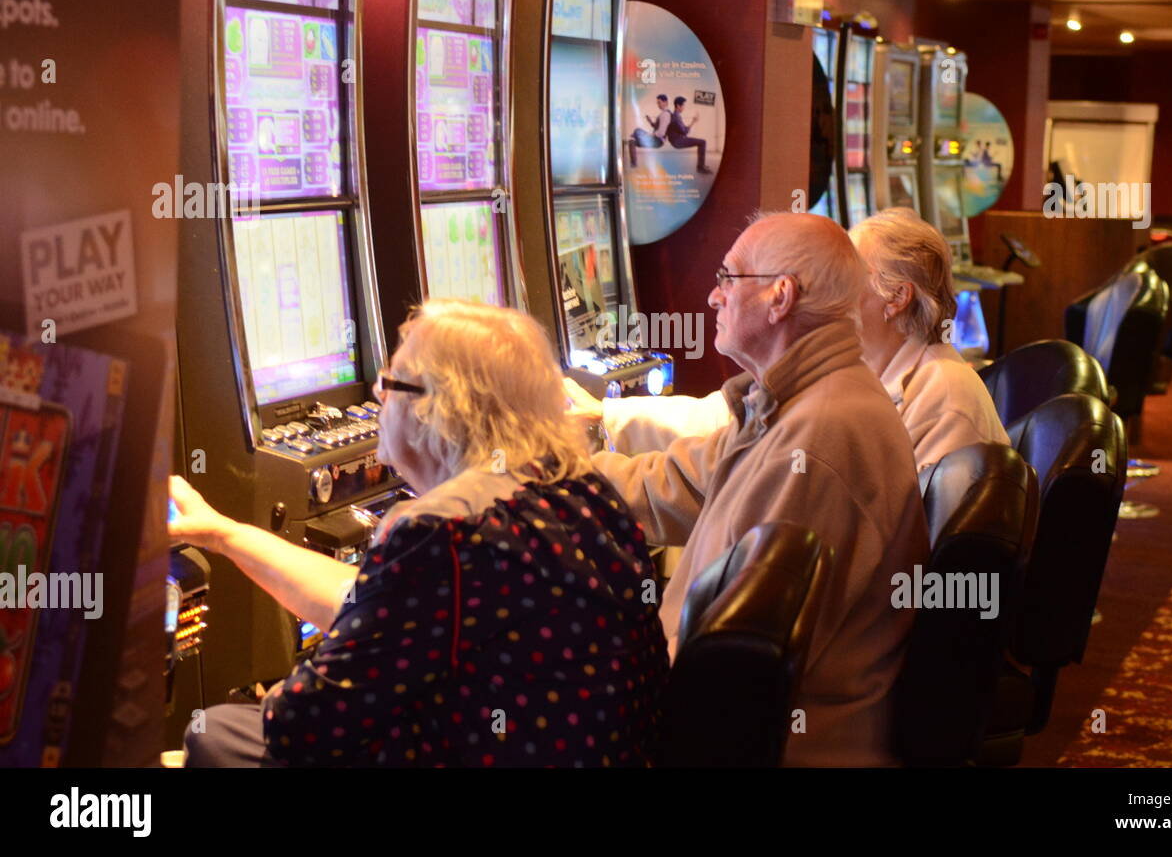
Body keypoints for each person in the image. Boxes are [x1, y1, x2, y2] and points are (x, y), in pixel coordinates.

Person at [174, 299, 669, 767]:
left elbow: (300, 726)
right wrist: (222, 533)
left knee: (217, 734)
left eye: (388, 384)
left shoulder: (448, 532)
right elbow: (370, 604)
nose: (375, 398)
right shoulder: (582, 491)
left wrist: (287, 689)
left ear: (437, 409)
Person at [587, 212, 929, 766]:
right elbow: (667, 484)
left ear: (780, 297)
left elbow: (728, 663)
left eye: (728, 277)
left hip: (793, 744)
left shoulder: (821, 438)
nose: (713, 296)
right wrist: (543, 466)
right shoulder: (795, 402)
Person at [569, 208, 1008, 475]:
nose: (833, 286)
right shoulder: (870, 371)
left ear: (895, 297)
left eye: (851, 274)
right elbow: (720, 425)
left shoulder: (943, 393)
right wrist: (606, 415)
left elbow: (914, 549)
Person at [666, 96, 711, 174]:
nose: (684, 108)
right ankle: (700, 167)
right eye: (683, 106)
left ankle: (701, 166)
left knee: (701, 142)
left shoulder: (675, 115)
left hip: (677, 140)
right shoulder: (676, 117)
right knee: (702, 142)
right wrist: (693, 122)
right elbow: (685, 131)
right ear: (678, 106)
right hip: (678, 141)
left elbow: (682, 129)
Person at [628, 94, 670, 167]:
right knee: (631, 142)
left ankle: (635, 135)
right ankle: (633, 163)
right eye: (657, 103)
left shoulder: (665, 114)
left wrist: (649, 135)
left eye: (659, 102)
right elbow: (657, 127)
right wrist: (650, 121)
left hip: (658, 141)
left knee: (637, 130)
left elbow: (661, 132)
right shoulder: (663, 114)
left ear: (666, 102)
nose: (658, 104)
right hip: (655, 139)